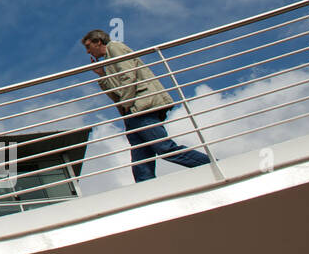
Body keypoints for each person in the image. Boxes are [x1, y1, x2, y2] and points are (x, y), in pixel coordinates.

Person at [80, 29, 211, 183]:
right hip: (132, 113)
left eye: (89, 46)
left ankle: (213, 164)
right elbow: (115, 93)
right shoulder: (108, 62)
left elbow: (129, 75)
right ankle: (146, 190)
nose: (88, 51)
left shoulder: (114, 47)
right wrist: (102, 74)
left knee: (165, 148)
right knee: (141, 159)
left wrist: (127, 104)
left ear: (98, 42)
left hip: (140, 108)